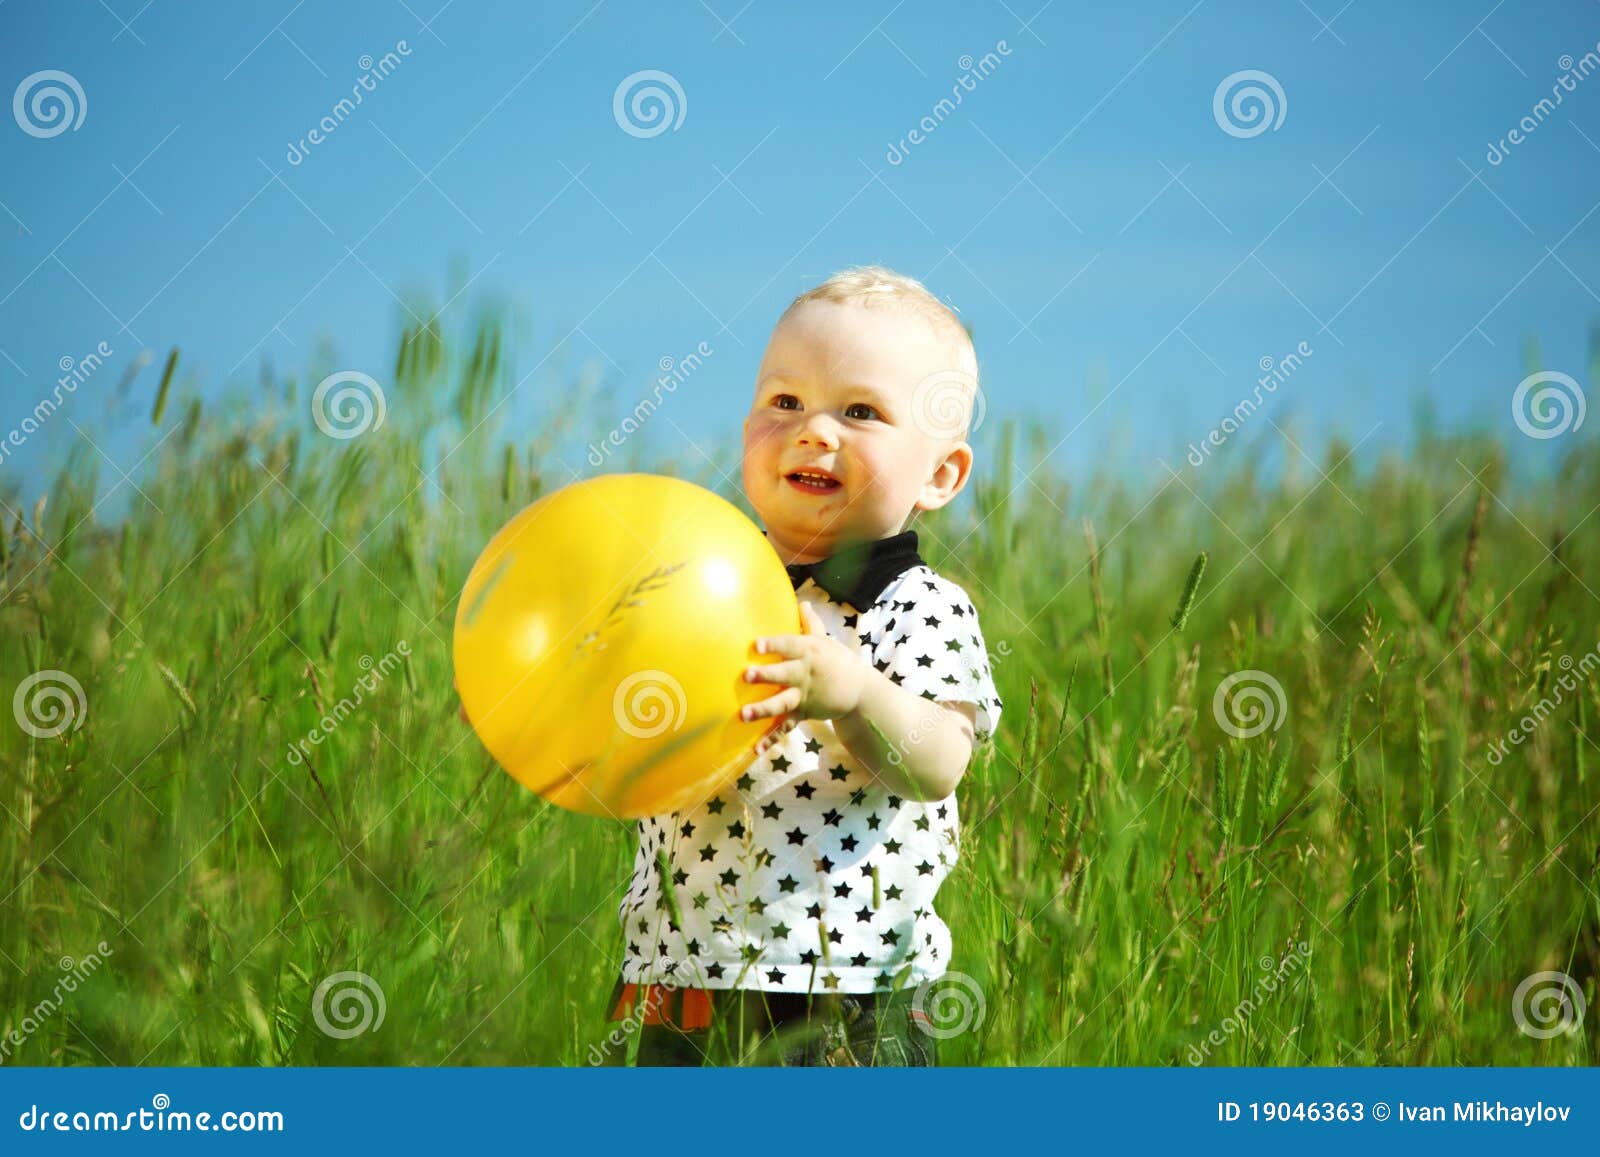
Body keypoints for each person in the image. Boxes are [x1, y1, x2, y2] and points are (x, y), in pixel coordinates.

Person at [604, 265, 1003, 1066]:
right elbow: (623, 739)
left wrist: (853, 692)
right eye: (785, 401)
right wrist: (545, 705)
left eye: (861, 411)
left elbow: (937, 762)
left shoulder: (925, 607)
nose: (815, 430)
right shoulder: (687, 591)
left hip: (852, 982)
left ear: (940, 474)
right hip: (675, 973)